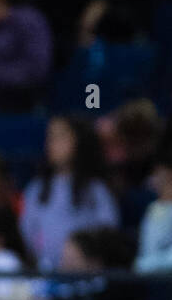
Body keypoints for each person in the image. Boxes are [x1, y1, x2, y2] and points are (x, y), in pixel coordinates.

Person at [20, 115, 119, 272]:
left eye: (60, 137)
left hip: (85, 274)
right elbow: (27, 230)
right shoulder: (36, 189)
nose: (52, 144)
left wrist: (81, 253)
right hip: (45, 271)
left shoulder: (95, 189)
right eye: (50, 137)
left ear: (80, 141)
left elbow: (107, 230)